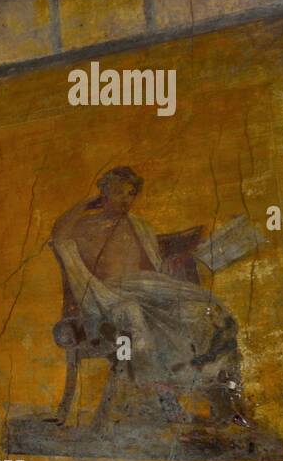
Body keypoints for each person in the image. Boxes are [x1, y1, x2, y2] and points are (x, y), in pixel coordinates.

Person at [50, 166, 249, 426]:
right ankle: (164, 396)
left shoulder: (141, 227)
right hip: (108, 295)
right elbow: (58, 235)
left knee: (205, 312)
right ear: (104, 192)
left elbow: (156, 269)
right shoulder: (86, 226)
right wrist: (88, 202)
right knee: (134, 315)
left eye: (130, 193)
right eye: (118, 192)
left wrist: (183, 262)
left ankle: (221, 397)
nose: (125, 199)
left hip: (151, 289)